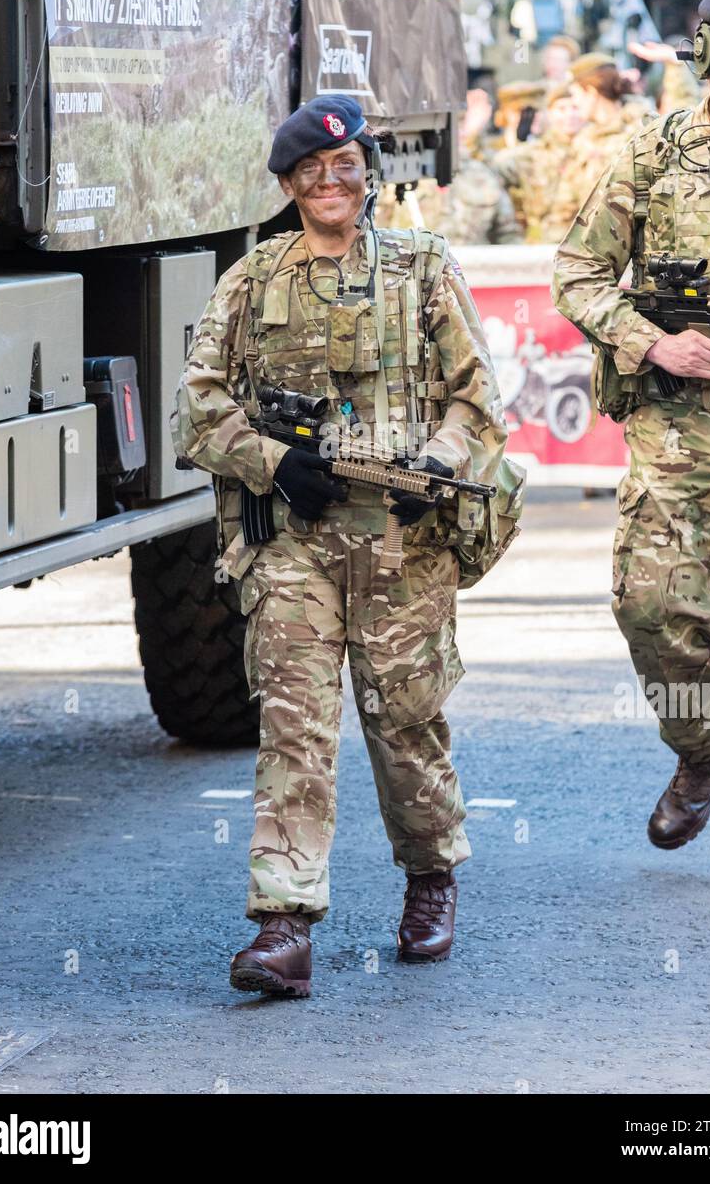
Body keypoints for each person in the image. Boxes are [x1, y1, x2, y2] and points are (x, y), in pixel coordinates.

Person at [172, 94, 507, 996]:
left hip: (403, 544)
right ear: (288, 185)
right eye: (312, 172)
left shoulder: (425, 270)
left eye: (346, 166)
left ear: (369, 174)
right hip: (295, 541)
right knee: (293, 725)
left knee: (405, 725)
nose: (331, 182)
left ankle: (431, 878)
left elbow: (480, 401)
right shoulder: (250, 279)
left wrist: (429, 472)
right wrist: (274, 462)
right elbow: (196, 408)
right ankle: (282, 925)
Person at [552, 0, 710, 891]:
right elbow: (577, 275)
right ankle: (704, 746)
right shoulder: (652, 156)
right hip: (674, 430)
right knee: (652, 609)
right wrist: (652, 339)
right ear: (703, 54)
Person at [375, 89, 520, 244]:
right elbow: (380, 234)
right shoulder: (399, 175)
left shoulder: (483, 176)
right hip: (417, 264)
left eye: (461, 124)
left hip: (474, 265)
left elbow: (509, 235)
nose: (458, 133)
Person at [542, 54, 655, 243]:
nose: (575, 104)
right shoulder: (583, 141)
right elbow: (566, 206)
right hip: (594, 251)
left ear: (591, 92)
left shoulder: (642, 130)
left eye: (576, 95)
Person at [494, 83, 584, 242]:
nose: (569, 115)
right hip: (543, 245)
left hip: (585, 245)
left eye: (575, 107)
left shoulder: (595, 151)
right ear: (550, 113)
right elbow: (492, 173)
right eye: (561, 109)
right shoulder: (532, 153)